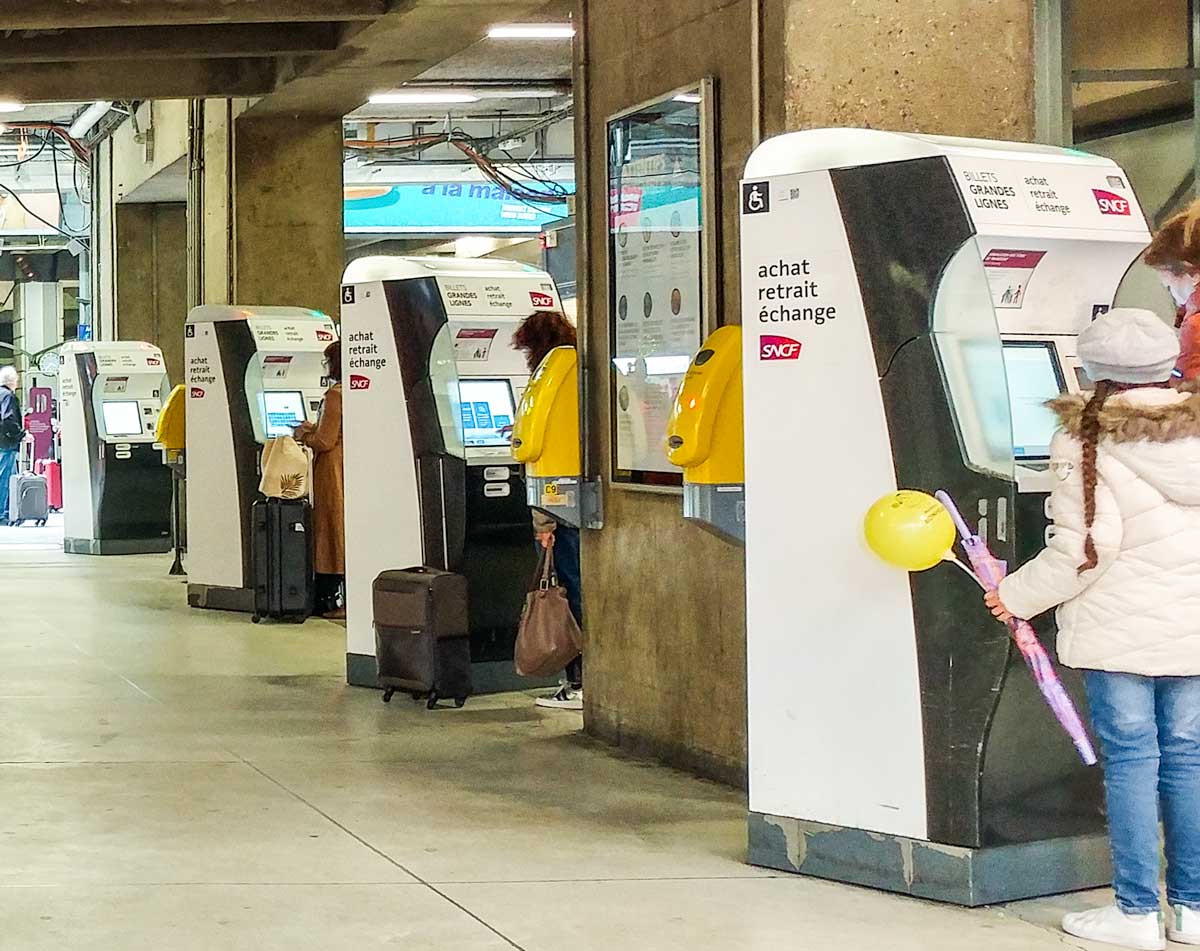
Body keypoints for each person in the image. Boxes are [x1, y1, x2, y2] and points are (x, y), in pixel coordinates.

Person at [985, 308, 1200, 951]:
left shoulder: (1088, 438)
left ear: (1087, 368)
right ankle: (1191, 911)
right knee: (1188, 759)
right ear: (1168, 367)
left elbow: (1085, 549)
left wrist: (1013, 595)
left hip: (1119, 627)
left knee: (1133, 760)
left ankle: (1135, 913)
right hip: (1191, 623)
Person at [511, 310, 583, 710]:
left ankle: (577, 681)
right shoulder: (580, 370)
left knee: (563, 595)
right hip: (582, 500)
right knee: (576, 591)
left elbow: (533, 450)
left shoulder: (548, 379)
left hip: (557, 509)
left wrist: (542, 523)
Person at [295, 341, 345, 620]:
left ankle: (332, 598)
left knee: (332, 530)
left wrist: (304, 436)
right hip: (351, 465)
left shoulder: (335, 395)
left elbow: (326, 441)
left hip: (332, 469)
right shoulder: (359, 390)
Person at [1144, 200, 1200, 381]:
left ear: (1192, 272)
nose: (1175, 298)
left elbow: (1189, 397)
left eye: (1170, 286)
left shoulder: (1195, 327)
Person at [0, 366, 23, 525]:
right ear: (13, 381)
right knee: (5, 478)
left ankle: (10, 510)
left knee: (11, 478)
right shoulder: (8, 396)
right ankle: (2, 513)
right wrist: (21, 434)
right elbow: (8, 419)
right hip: (6, 444)